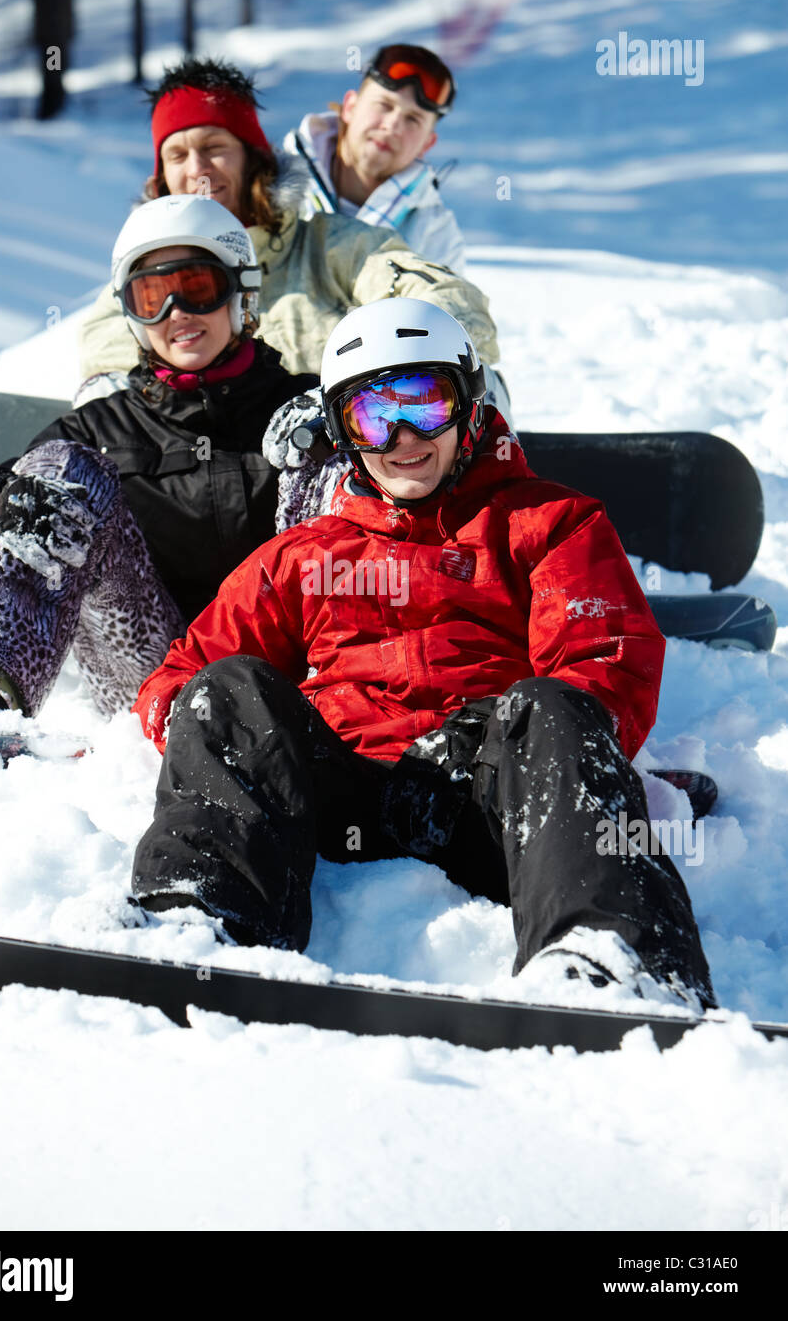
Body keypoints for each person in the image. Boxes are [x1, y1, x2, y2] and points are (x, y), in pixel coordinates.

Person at [130, 297, 716, 1010]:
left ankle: (615, 954)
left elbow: (607, 663)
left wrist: (494, 725)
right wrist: (233, 734)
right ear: (344, 433)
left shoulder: (548, 523)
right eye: (372, 417)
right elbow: (178, 681)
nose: (402, 437)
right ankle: (201, 923)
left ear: (469, 406)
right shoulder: (305, 555)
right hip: (337, 795)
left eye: (424, 405)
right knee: (228, 689)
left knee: (560, 704)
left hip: (488, 804)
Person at [0, 196, 316, 718]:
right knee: (59, 471)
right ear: (131, 313)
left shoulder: (306, 405)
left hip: (302, 666)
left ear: (240, 290)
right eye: (151, 295)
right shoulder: (95, 431)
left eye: (197, 287)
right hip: (150, 676)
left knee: (341, 430)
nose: (176, 312)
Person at [78, 56, 510, 421]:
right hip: (193, 483)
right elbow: (104, 346)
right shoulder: (147, 276)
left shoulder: (326, 245)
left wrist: (361, 387)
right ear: (162, 178)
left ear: (253, 160)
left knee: (476, 379)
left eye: (213, 147)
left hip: (338, 476)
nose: (197, 169)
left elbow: (442, 297)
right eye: (177, 155)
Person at [284, 43, 466, 272]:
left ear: (426, 144)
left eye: (413, 120)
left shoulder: (434, 234)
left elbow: (449, 305)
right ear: (350, 107)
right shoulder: (269, 186)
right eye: (384, 105)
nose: (392, 126)